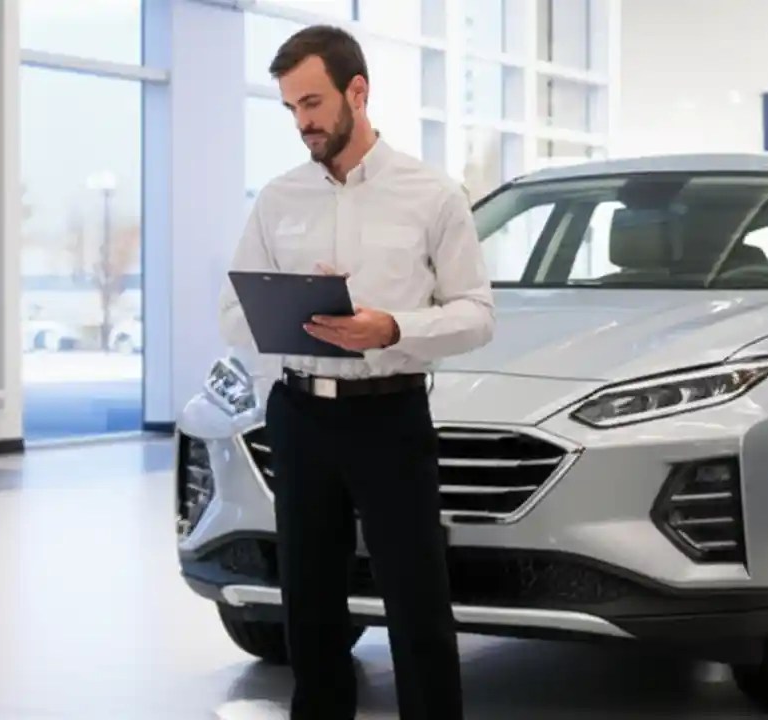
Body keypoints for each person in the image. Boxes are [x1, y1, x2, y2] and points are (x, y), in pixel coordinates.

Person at [217, 24, 494, 720]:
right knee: (308, 601)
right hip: (300, 413)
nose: (302, 123)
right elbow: (232, 312)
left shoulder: (432, 194)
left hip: (390, 414)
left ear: (358, 91)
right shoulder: (279, 198)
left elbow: (477, 314)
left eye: (312, 103)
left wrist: (393, 327)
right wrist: (296, 315)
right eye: (290, 110)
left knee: (416, 599)